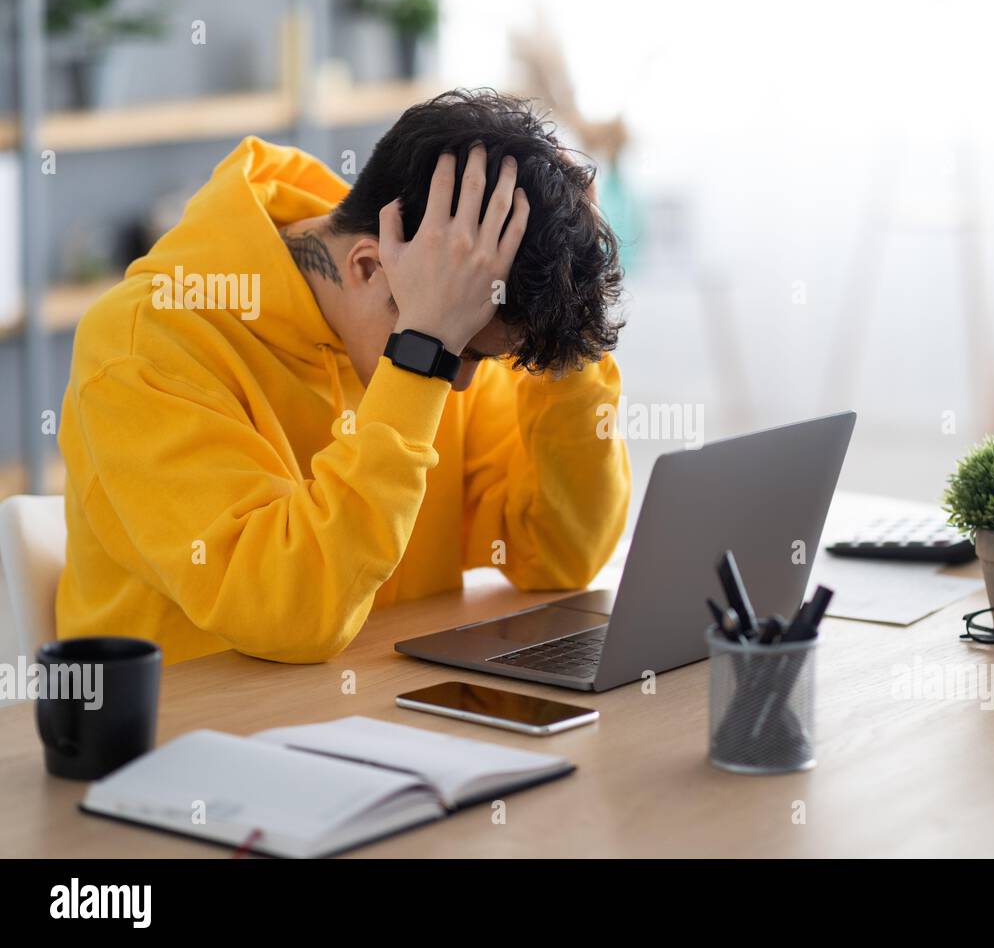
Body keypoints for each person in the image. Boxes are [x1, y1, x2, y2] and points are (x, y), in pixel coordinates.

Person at [56, 88, 630, 665]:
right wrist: (424, 352)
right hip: (194, 738)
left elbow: (559, 555)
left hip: (390, 716)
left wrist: (569, 331)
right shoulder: (140, 349)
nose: (460, 387)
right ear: (367, 267)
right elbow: (289, 613)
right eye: (465, 358)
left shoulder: (457, 306)